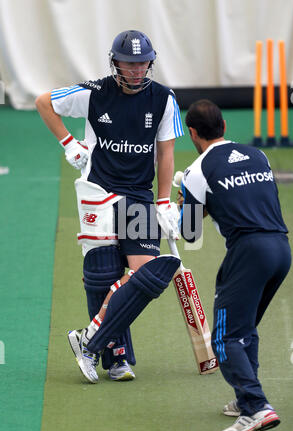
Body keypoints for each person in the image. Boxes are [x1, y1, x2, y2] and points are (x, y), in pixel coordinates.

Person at [35, 30, 183, 383]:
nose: (135, 70)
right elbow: (44, 103)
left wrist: (164, 200)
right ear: (115, 62)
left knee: (147, 275)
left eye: (142, 63)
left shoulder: (164, 99)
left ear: (151, 62)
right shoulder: (94, 92)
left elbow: (166, 153)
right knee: (101, 275)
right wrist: (69, 143)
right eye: (128, 63)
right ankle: (115, 357)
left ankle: (88, 341)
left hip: (138, 195)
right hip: (97, 189)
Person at [179, 99, 291, 431]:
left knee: (226, 338)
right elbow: (249, 199)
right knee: (244, 329)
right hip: (281, 249)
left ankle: (256, 406)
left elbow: (190, 232)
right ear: (225, 126)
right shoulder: (259, 156)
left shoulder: (198, 171)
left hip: (248, 253)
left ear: (193, 133)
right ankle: (246, 401)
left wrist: (188, 201)